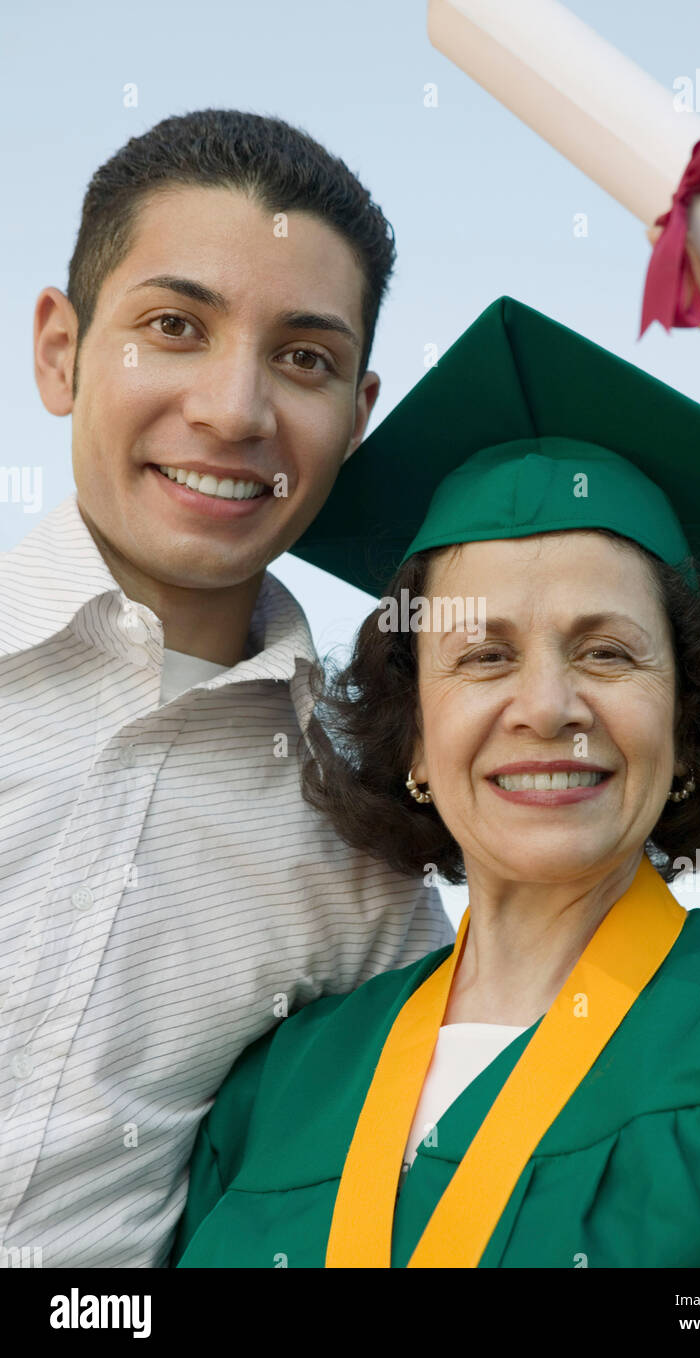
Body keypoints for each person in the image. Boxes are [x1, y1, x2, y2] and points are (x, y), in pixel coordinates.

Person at [172, 293, 700, 1269]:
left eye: (609, 653)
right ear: (413, 733)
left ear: (687, 715)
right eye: (484, 657)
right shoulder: (280, 1082)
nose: (548, 706)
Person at [0, 108, 452, 1270]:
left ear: (358, 416)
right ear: (61, 350)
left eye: (304, 357)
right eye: (173, 325)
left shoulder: (365, 845)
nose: (234, 410)